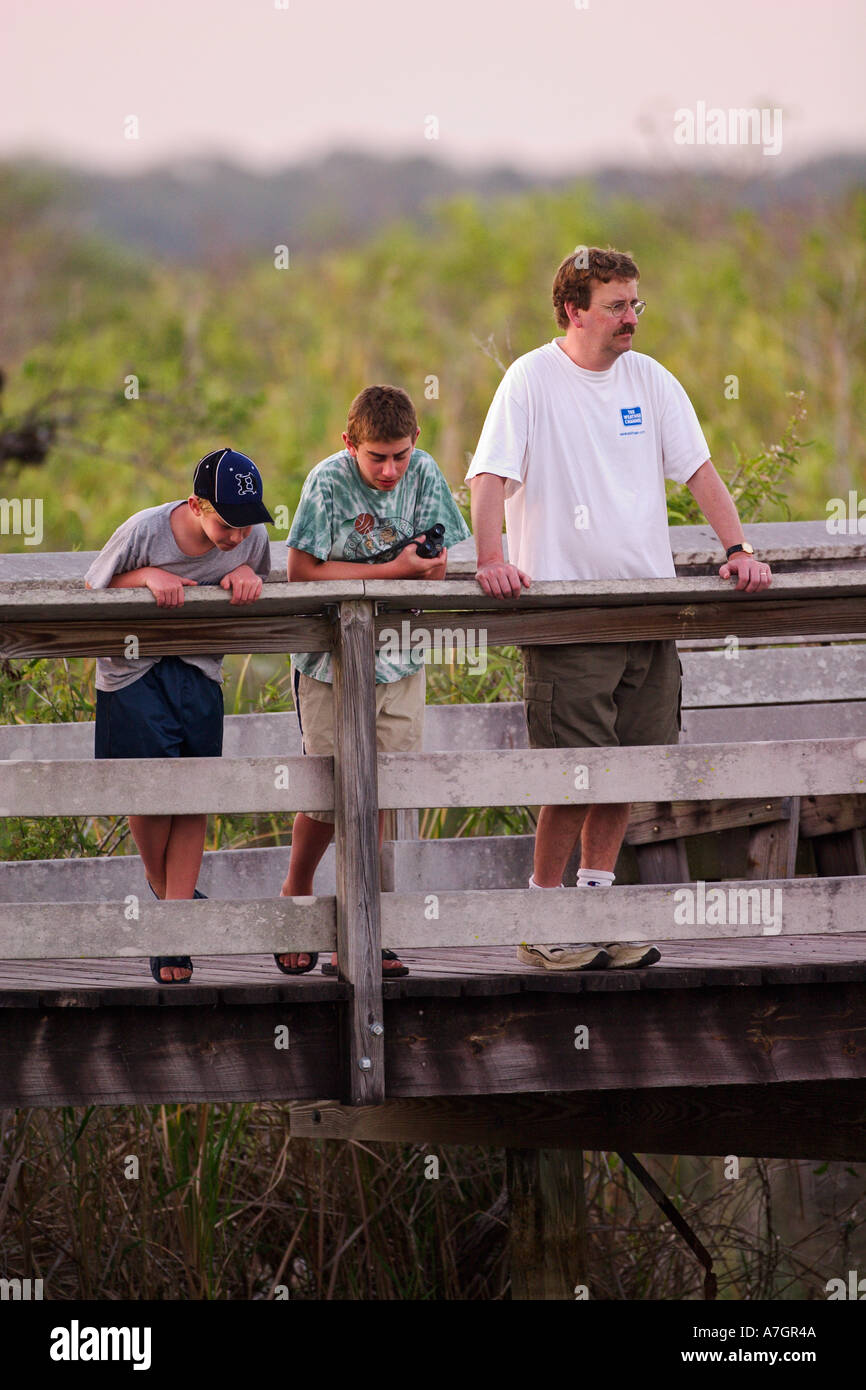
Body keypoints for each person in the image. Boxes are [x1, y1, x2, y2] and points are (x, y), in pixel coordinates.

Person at [466, 246, 772, 970]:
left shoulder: (651, 379)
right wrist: (490, 560)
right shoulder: (530, 381)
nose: (630, 318)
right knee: (574, 773)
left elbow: (699, 470)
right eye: (616, 306)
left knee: (629, 771)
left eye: (635, 304)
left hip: (649, 610)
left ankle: (600, 908)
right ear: (574, 311)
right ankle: (545, 921)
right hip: (569, 616)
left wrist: (739, 547)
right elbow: (487, 479)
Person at [277, 383, 471, 977]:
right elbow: (300, 571)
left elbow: (440, 567)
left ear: (416, 444)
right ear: (349, 445)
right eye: (376, 457)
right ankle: (298, 895)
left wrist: (428, 566)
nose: (390, 470)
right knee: (328, 790)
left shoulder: (426, 473)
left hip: (401, 657)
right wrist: (392, 568)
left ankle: (362, 925)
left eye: (400, 456)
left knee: (383, 790)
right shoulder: (326, 482)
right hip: (331, 662)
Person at [84, 448, 273, 983]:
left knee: (193, 794)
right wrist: (143, 576)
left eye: (246, 525)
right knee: (148, 791)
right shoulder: (145, 531)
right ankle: (170, 896)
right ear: (196, 504)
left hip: (200, 671)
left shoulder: (249, 538)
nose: (238, 536)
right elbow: (93, 586)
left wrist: (244, 577)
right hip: (132, 671)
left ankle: (174, 930)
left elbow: (258, 581)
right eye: (226, 525)